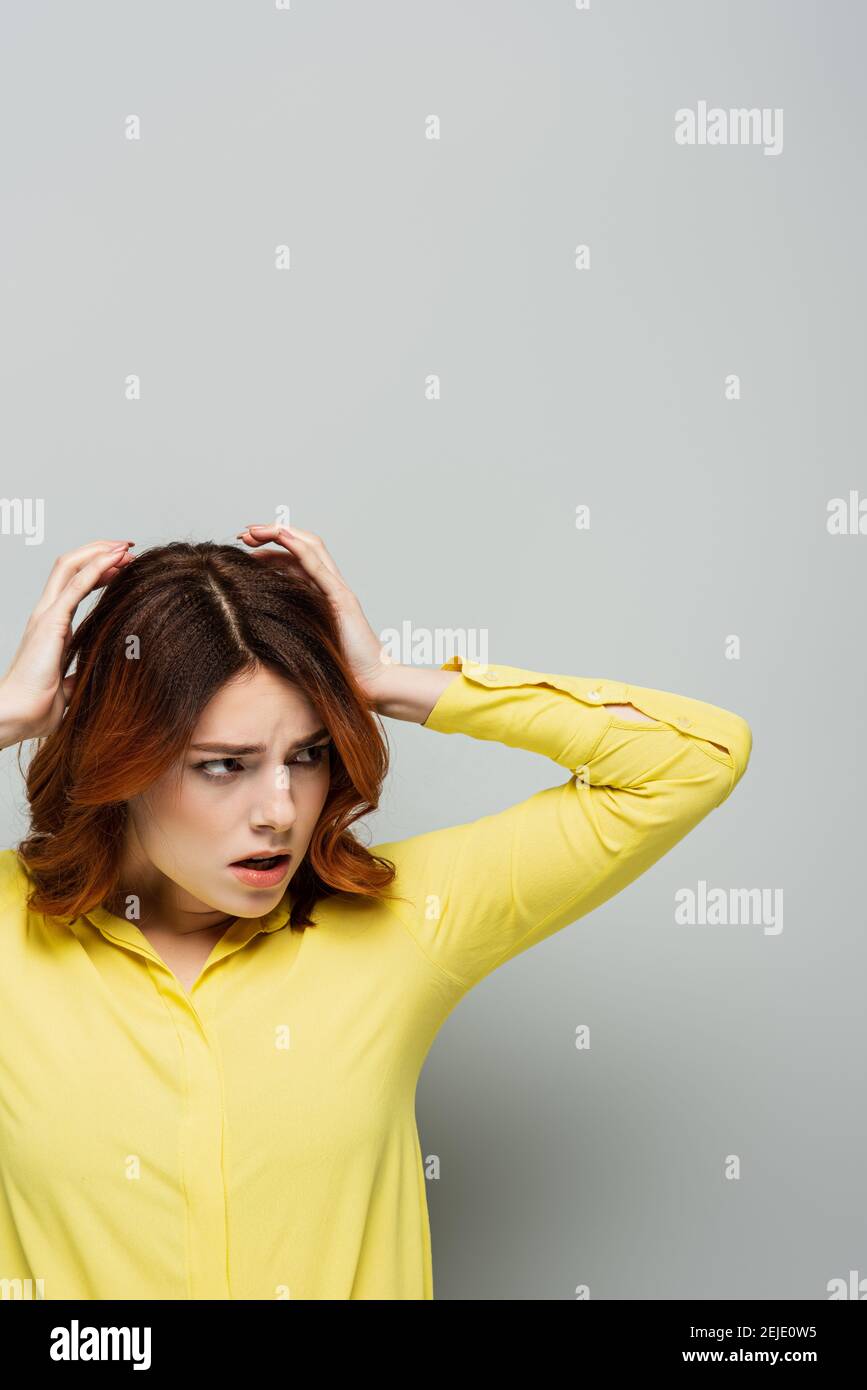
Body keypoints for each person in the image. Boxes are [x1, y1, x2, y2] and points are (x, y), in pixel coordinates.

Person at [0, 524, 752, 1300]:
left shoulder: (401, 920)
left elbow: (696, 760)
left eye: (307, 755)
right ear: (118, 755)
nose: (279, 811)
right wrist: (13, 713)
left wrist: (388, 682)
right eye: (224, 765)